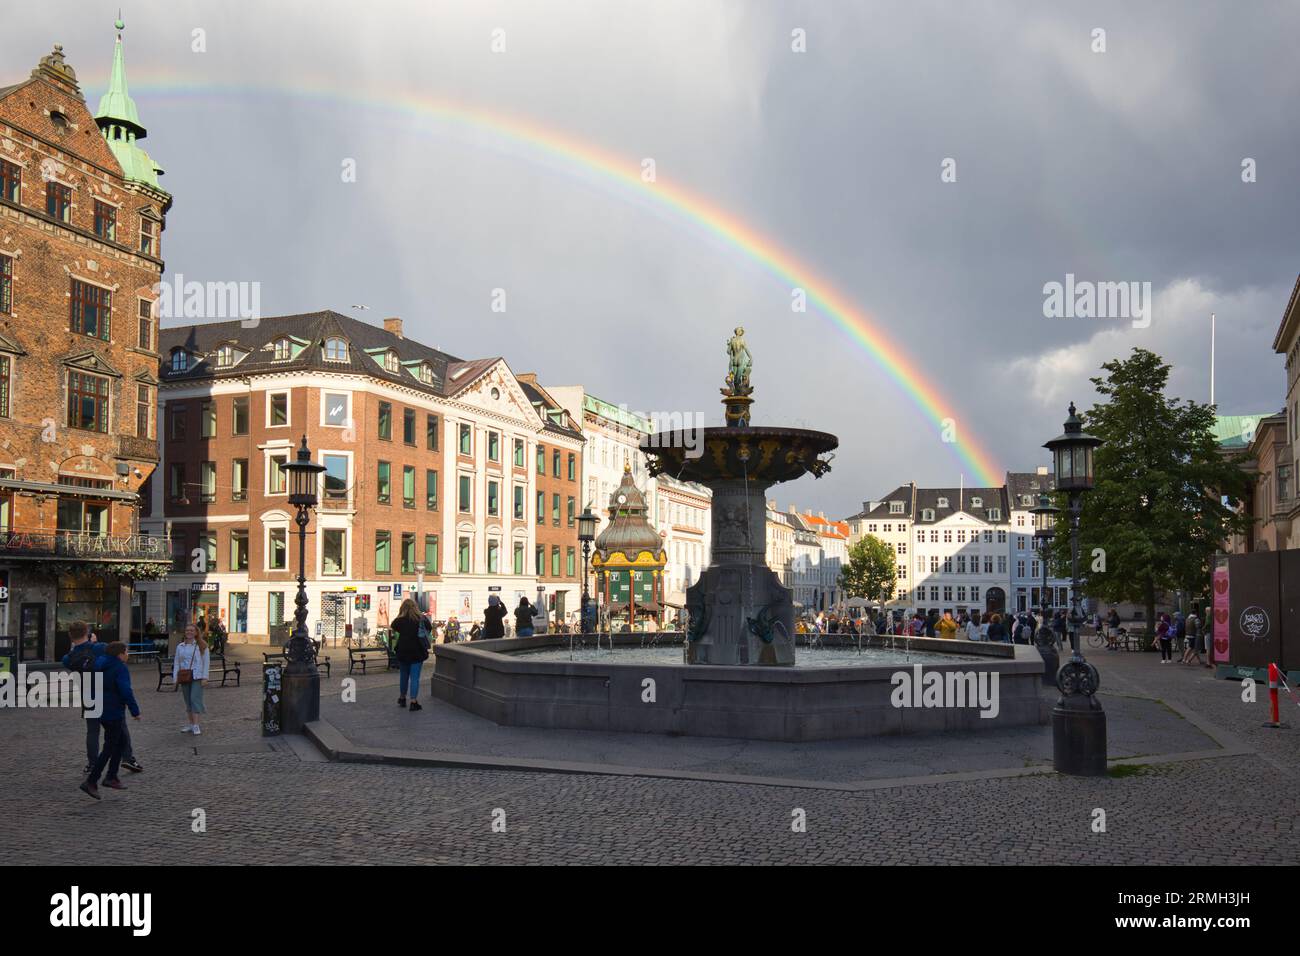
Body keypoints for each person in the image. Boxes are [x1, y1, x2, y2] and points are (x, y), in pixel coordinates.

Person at [63, 621, 143, 776]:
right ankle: (128, 758)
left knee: (92, 731)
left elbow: (71, 662)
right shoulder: (99, 647)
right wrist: (94, 642)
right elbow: (115, 655)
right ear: (87, 632)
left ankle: (92, 763)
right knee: (120, 728)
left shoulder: (68, 658)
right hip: (109, 694)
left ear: (70, 636)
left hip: (88, 694)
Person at [80, 642, 140, 799]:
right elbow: (126, 690)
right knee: (109, 748)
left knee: (119, 743)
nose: (128, 655)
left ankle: (112, 776)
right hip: (113, 711)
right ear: (120, 654)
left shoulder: (98, 663)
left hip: (99, 708)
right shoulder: (120, 668)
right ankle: (92, 781)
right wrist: (135, 710)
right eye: (126, 652)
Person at [390, 598, 429, 711]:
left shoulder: (400, 620)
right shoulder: (421, 619)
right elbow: (429, 628)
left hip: (403, 651)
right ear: (415, 608)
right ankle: (413, 701)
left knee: (404, 675)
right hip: (417, 651)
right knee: (415, 678)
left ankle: (402, 698)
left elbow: (393, 626)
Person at [173, 623, 210, 735]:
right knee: (188, 701)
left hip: (197, 676)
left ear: (196, 632)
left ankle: (196, 724)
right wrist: (175, 678)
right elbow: (177, 663)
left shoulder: (202, 646)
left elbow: (206, 663)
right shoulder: (180, 647)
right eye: (187, 630)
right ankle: (191, 724)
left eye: (191, 630)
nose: (189, 632)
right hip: (185, 676)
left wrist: (205, 677)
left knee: (195, 699)